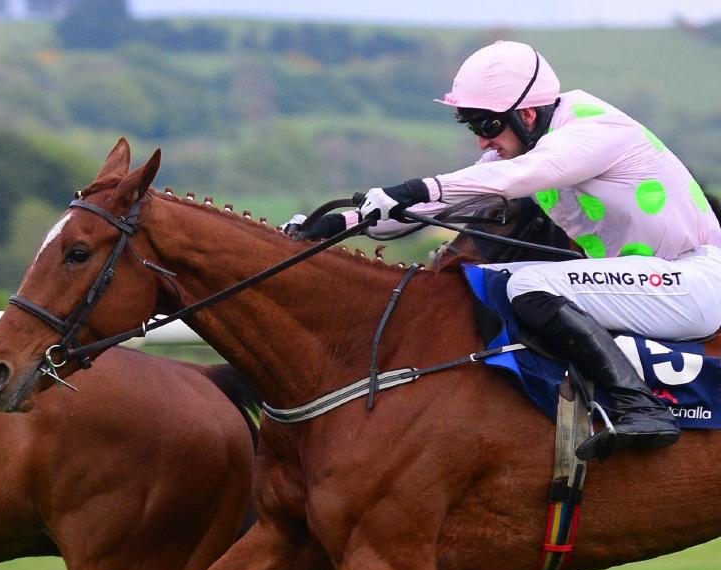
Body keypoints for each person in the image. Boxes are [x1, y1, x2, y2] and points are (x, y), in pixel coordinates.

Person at [290, 40, 721, 459]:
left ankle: (641, 408)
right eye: (473, 126)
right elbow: (442, 200)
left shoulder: (592, 132)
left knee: (526, 284)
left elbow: (517, 178)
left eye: (487, 125)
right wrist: (333, 226)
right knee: (488, 278)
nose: (482, 141)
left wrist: (409, 187)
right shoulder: (532, 140)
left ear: (528, 114)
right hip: (652, 283)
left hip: (694, 282)